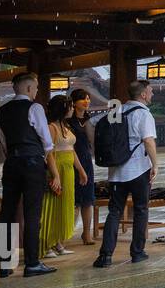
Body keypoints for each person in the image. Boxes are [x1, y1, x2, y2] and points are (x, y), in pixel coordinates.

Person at [0, 73, 61, 278]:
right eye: (36, 88)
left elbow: (4, 142)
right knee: (32, 213)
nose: (37, 91)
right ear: (28, 88)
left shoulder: (2, 111)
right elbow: (46, 141)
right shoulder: (35, 107)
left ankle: (5, 264)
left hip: (12, 162)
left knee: (7, 212)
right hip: (32, 161)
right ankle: (32, 263)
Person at [93, 79, 157, 269]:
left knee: (114, 212)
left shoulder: (116, 111)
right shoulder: (144, 114)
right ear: (143, 94)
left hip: (116, 172)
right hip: (139, 169)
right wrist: (156, 164)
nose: (152, 94)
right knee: (140, 210)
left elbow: (91, 124)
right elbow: (148, 141)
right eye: (151, 91)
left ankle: (105, 256)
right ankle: (137, 252)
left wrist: (97, 150)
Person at [40, 94, 82, 257]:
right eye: (70, 106)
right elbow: (48, 152)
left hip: (69, 169)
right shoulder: (51, 127)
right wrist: (55, 175)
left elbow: (72, 150)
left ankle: (59, 242)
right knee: (52, 206)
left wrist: (81, 170)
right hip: (57, 168)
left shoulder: (66, 127)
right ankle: (46, 244)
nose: (72, 109)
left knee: (66, 205)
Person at [68, 89, 97, 245]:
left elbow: (92, 142)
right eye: (83, 99)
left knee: (88, 199)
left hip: (86, 160)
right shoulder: (67, 121)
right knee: (74, 200)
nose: (87, 101)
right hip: (72, 160)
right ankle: (67, 232)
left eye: (88, 98)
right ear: (74, 102)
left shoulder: (88, 120)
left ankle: (86, 233)